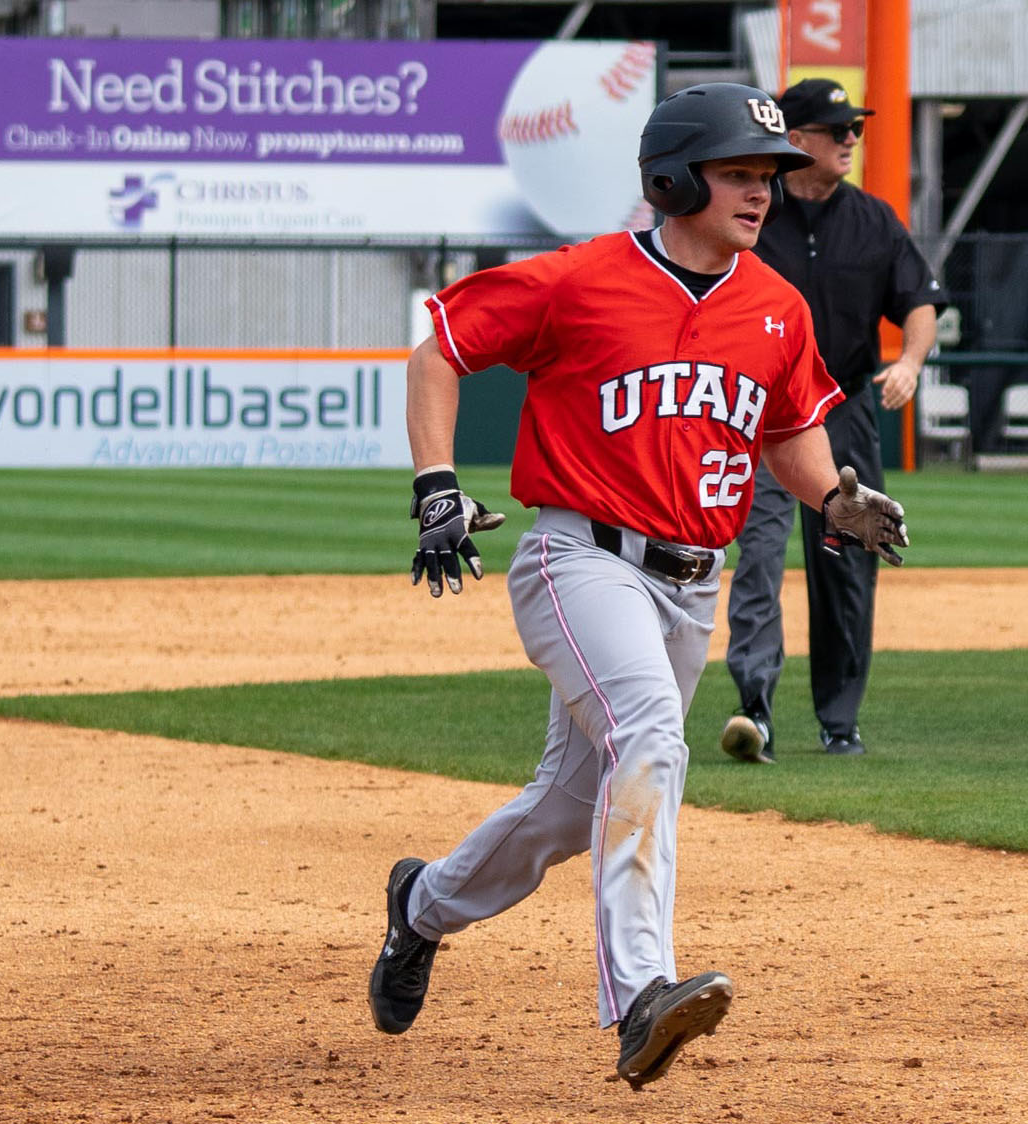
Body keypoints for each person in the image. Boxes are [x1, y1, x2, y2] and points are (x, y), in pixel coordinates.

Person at [367, 83, 911, 1091]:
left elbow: (787, 438)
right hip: (577, 560)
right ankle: (639, 994)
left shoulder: (774, 308)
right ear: (672, 179)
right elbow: (440, 345)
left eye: (770, 175)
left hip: (687, 589)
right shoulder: (581, 280)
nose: (761, 193)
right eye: (740, 173)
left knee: (571, 805)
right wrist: (435, 481)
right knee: (653, 733)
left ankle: (422, 906)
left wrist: (834, 500)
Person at [719, 77, 944, 764]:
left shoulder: (873, 219)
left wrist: (908, 360)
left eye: (856, 129)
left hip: (842, 406)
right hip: (757, 412)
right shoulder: (756, 216)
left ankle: (839, 720)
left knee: (848, 557)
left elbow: (920, 299)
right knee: (757, 557)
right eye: (838, 129)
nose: (851, 139)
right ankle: (754, 710)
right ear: (795, 140)